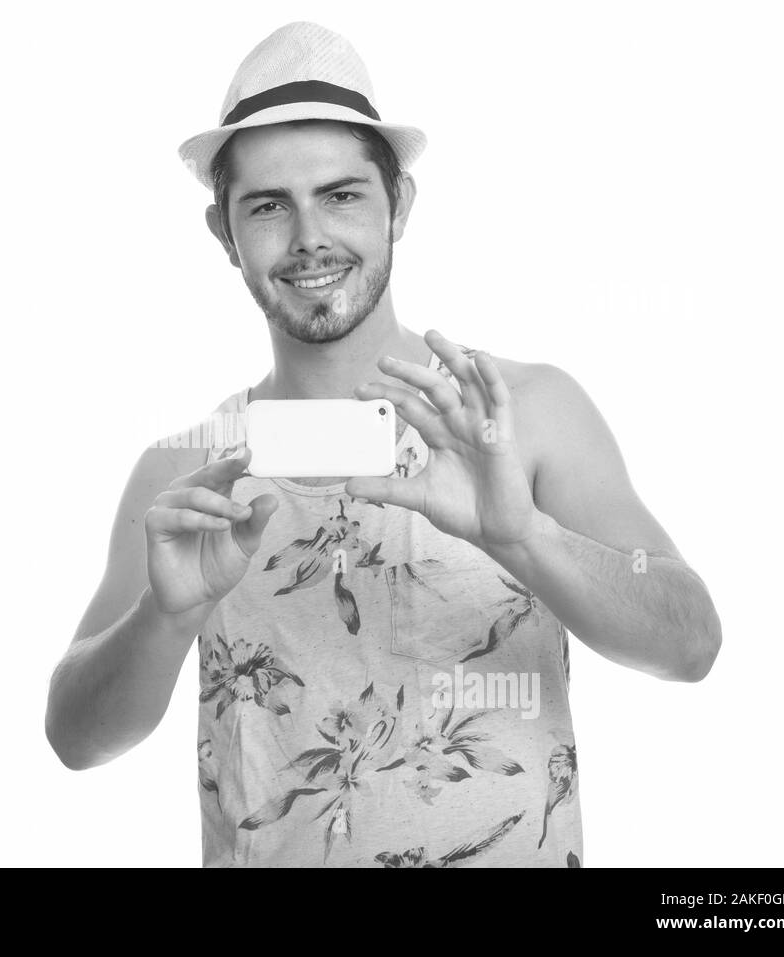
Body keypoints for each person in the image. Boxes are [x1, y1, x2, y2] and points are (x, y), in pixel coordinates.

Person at [45, 21, 722, 867]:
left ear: (398, 203)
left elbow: (690, 639)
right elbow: (75, 735)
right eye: (267, 206)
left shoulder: (520, 416)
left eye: (342, 195)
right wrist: (165, 615)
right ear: (223, 231)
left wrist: (524, 537)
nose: (308, 239)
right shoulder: (189, 468)